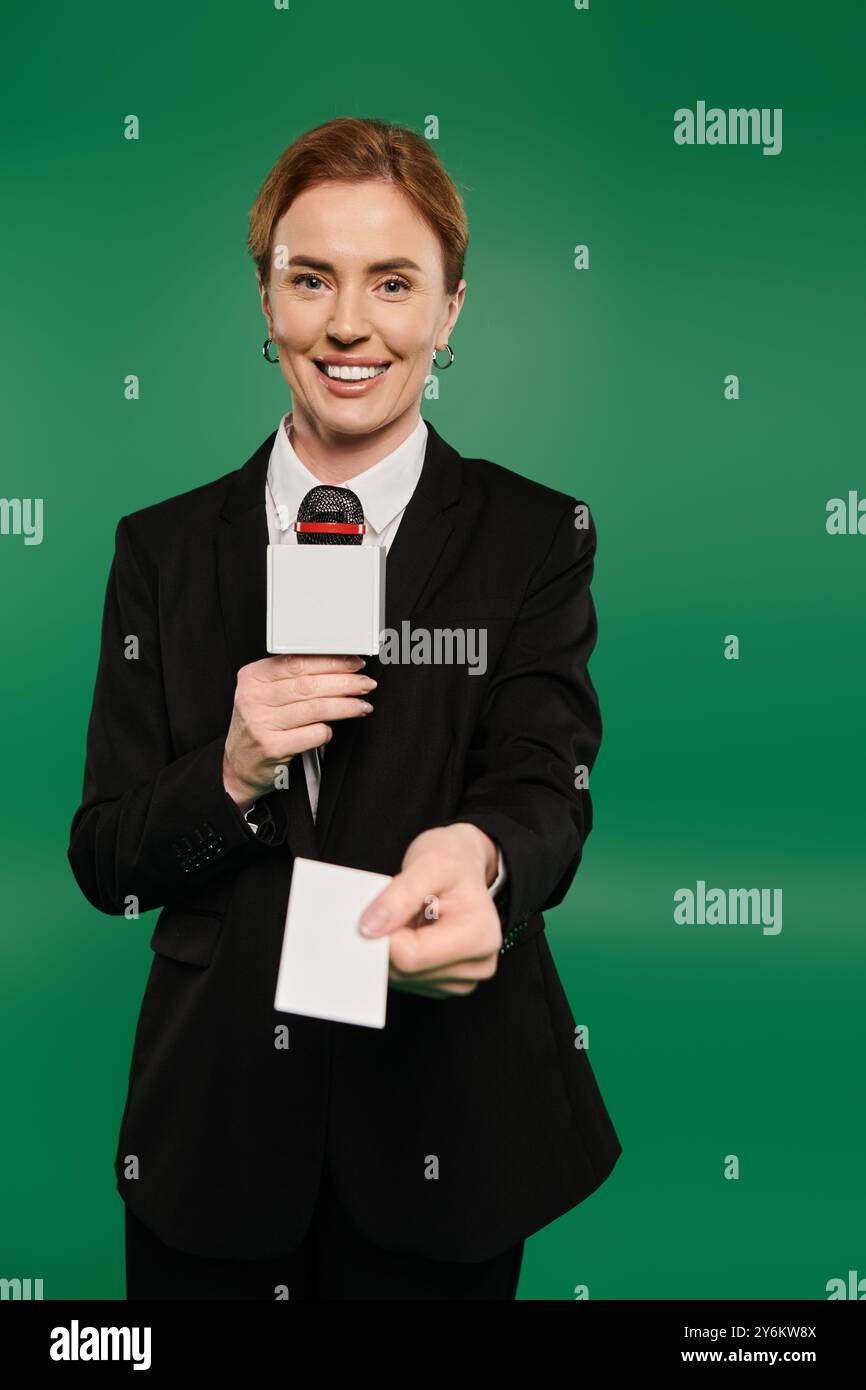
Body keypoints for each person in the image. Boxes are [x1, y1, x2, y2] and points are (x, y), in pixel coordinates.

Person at [67, 115, 622, 1301]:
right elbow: (105, 856)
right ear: (264, 300)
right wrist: (224, 769)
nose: (349, 324)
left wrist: (475, 859)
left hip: (446, 1119)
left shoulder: (534, 537)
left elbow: (543, 781)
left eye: (392, 282)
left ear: (449, 310)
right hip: (214, 1128)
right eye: (310, 278)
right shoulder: (159, 551)